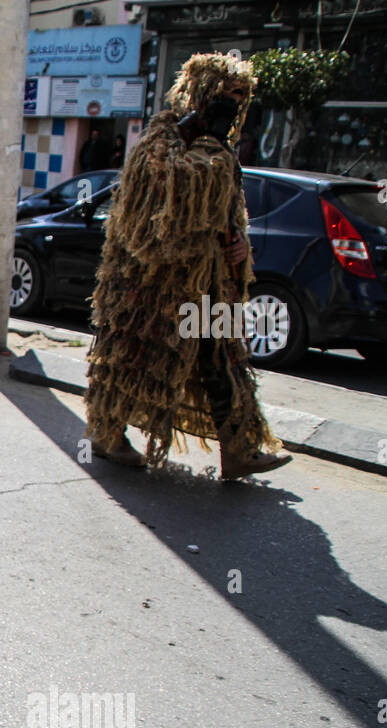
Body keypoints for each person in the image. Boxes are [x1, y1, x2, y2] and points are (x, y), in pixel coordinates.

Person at [84, 52, 291, 480]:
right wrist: (211, 141)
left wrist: (239, 247)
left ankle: (238, 450)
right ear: (203, 94)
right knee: (133, 359)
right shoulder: (162, 140)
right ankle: (107, 435)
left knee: (223, 361)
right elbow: (174, 193)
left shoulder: (223, 149)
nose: (233, 108)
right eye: (226, 97)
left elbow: (226, 209)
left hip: (211, 282)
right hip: (153, 286)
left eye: (240, 99)